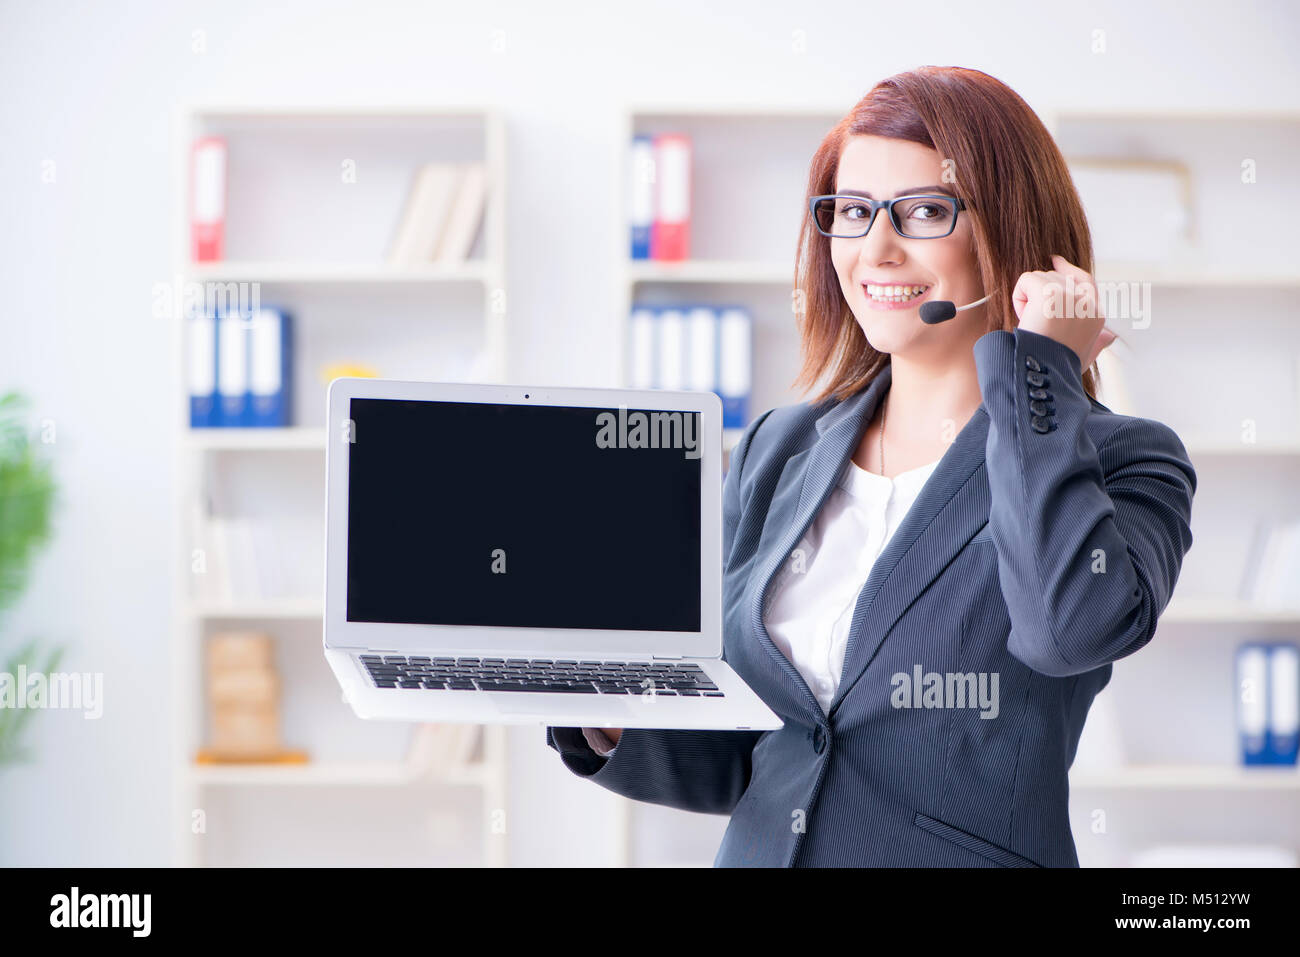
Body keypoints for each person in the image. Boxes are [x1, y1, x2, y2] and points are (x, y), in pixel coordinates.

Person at [546, 65, 1195, 867]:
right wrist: (596, 704)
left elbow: (1069, 631)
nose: (876, 248)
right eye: (853, 212)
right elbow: (757, 753)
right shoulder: (777, 449)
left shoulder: (1121, 459)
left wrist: (1040, 374)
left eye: (924, 211)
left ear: (1013, 230)